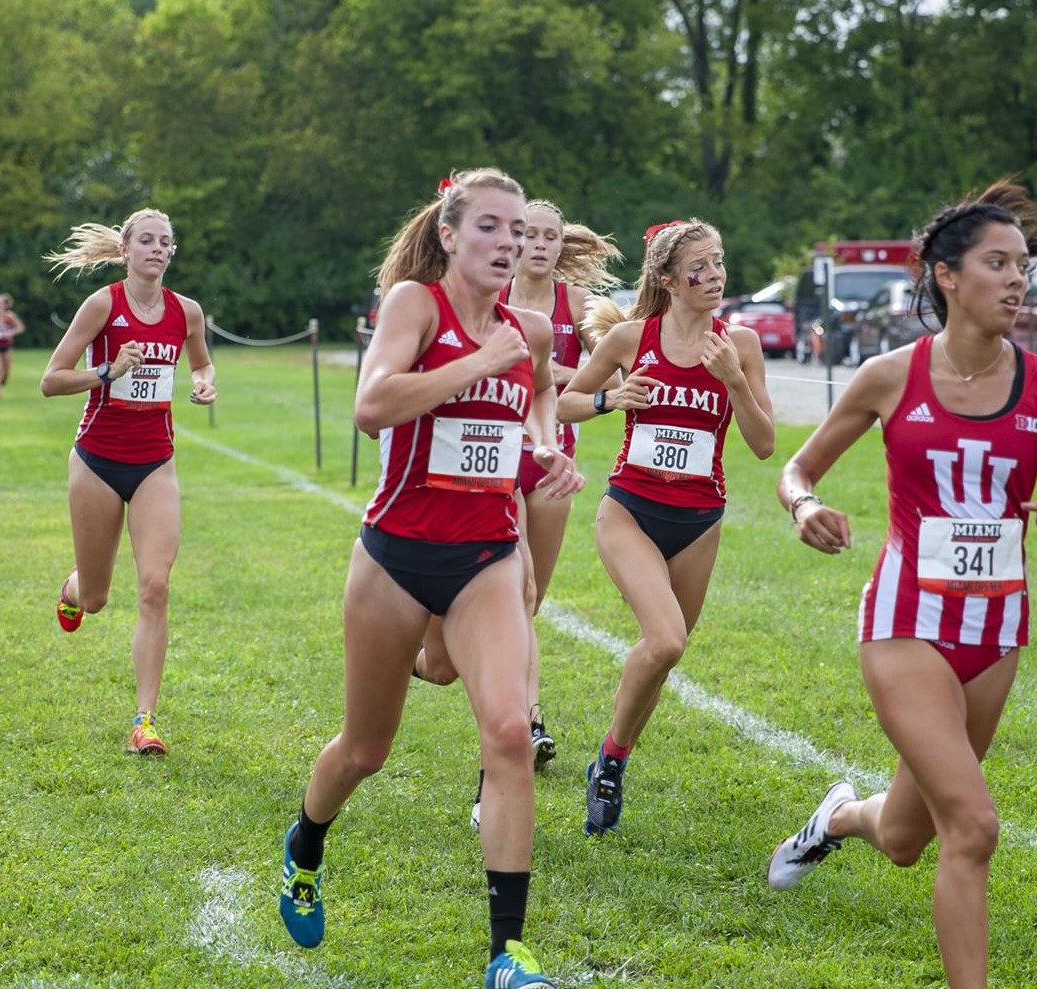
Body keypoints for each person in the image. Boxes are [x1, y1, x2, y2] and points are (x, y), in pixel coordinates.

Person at [763, 182, 1037, 989]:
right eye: (998, 263)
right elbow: (798, 467)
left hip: (996, 634)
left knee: (911, 833)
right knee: (974, 826)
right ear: (947, 275)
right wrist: (805, 505)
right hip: (905, 620)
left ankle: (837, 816)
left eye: (1024, 265)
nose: (1018, 280)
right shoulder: (888, 375)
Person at [277, 169, 578, 989]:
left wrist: (544, 445)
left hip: (489, 551)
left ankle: (506, 954)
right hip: (396, 555)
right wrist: (478, 360)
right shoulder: (417, 305)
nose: (507, 244)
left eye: (517, 231)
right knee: (366, 749)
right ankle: (305, 844)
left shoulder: (530, 329)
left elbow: (540, 394)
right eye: (489, 227)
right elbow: (373, 406)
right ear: (449, 234)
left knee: (511, 732)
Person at [556, 218, 775, 837]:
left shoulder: (743, 344)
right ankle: (609, 763)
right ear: (668, 279)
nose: (713, 276)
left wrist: (733, 377)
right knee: (668, 640)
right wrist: (609, 401)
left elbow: (763, 446)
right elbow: (566, 400)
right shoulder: (632, 338)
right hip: (630, 508)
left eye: (719, 263)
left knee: (660, 657)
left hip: (700, 521)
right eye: (698, 267)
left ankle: (611, 759)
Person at [410, 200, 624, 823]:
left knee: (528, 602)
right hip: (494, 463)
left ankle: (461, 679)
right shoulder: (488, 292)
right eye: (527, 233)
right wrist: (559, 374)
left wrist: (593, 372)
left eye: (550, 236)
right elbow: (555, 376)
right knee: (516, 588)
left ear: (561, 247)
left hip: (551, 461)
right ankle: (523, 723)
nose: (537, 244)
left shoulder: (578, 304)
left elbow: (587, 377)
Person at [41, 209, 216, 756]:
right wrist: (106, 373)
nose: (158, 249)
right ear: (126, 249)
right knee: (96, 597)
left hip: (154, 463)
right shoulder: (103, 305)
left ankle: (145, 720)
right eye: (147, 240)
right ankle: (74, 589)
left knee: (156, 586)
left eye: (166, 241)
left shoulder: (186, 312)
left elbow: (203, 365)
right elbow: (50, 380)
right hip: (96, 460)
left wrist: (205, 384)